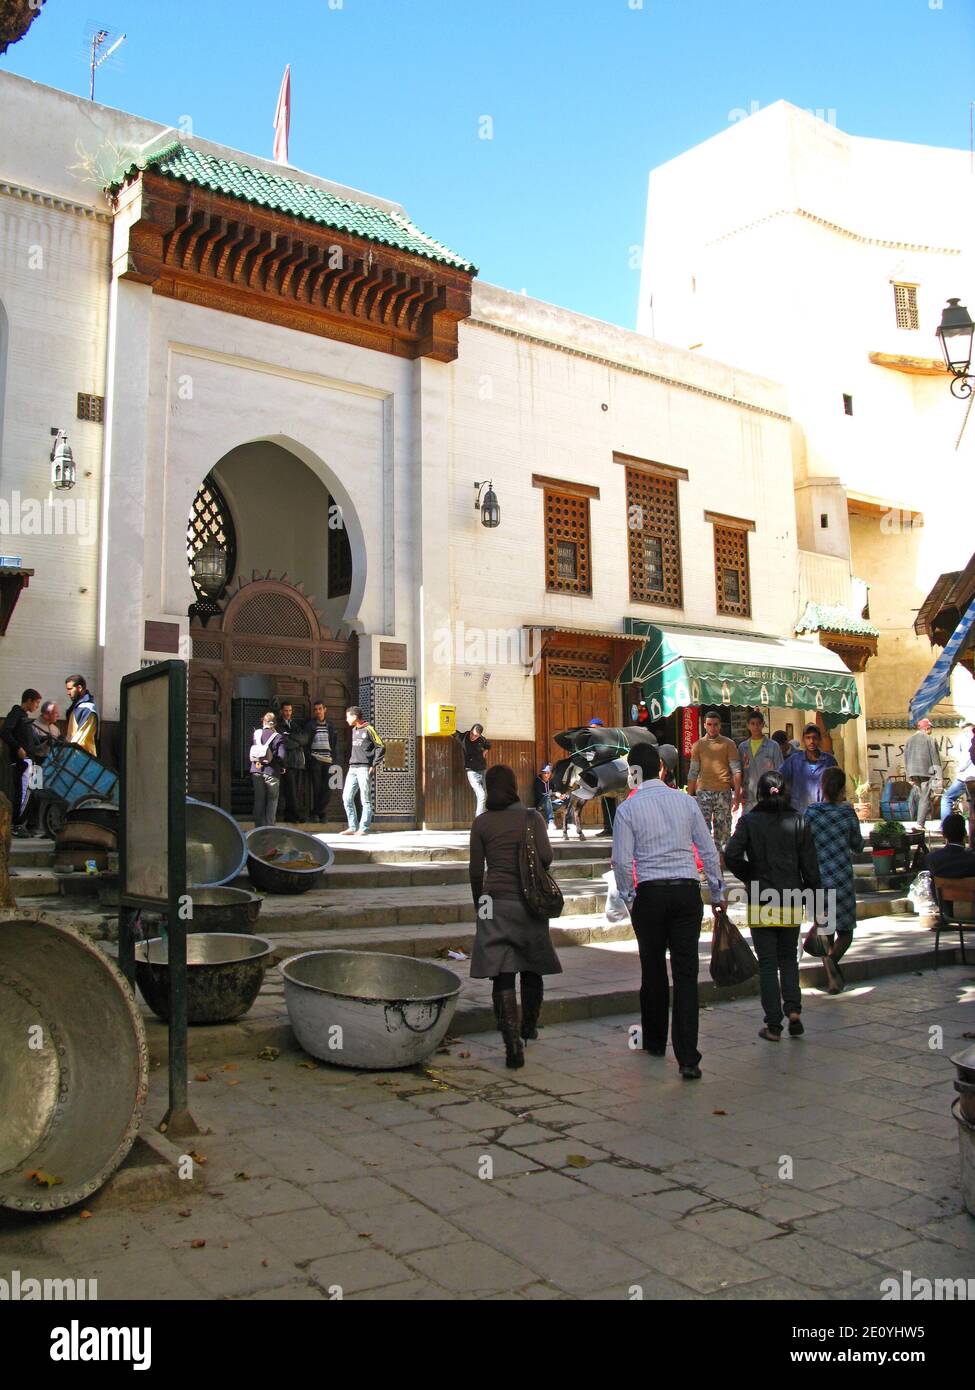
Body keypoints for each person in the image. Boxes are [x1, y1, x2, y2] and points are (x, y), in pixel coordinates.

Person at [612, 743, 726, 1079]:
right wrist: (717, 890)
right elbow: (707, 848)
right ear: (661, 767)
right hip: (686, 892)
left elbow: (621, 861)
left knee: (652, 968)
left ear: (634, 772)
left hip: (649, 894)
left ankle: (655, 1040)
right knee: (686, 974)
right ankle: (688, 1057)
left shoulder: (627, 810)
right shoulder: (686, 802)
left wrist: (630, 898)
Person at [469, 764, 562, 1068]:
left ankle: (512, 1044)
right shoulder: (531, 818)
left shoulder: (481, 823)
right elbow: (546, 858)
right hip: (529, 902)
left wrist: (479, 904)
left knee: (502, 971)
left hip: (494, 902)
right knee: (531, 966)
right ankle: (528, 1028)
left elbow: (475, 870)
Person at [725, 770, 821, 1039]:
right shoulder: (799, 821)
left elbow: (731, 854)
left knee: (768, 963)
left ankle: (774, 1024)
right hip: (791, 893)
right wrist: (814, 894)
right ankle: (794, 1010)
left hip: (762, 894)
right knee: (788, 958)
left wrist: (750, 873)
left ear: (760, 793)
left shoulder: (749, 821)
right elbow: (810, 866)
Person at [805, 767, 863, 995]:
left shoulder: (811, 812)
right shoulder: (847, 813)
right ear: (841, 789)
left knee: (825, 931)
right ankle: (832, 964)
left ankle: (831, 976)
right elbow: (858, 845)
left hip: (818, 879)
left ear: (822, 787)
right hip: (842, 879)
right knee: (846, 932)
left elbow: (802, 843)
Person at [686, 710, 742, 852]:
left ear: (720, 726)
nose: (712, 728)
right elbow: (693, 772)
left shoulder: (729, 744)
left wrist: (737, 795)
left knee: (722, 830)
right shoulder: (698, 745)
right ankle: (706, 861)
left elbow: (736, 770)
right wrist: (689, 796)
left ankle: (721, 860)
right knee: (702, 829)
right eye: (709, 724)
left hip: (723, 791)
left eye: (715, 725)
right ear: (704, 725)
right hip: (703, 791)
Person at [1, 689, 43, 836]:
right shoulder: (16, 713)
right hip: (23, 761)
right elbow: (5, 732)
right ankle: (17, 825)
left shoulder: (25, 718)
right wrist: (18, 747)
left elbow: (33, 739)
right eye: (37, 703)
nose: (37, 706)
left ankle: (27, 824)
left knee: (32, 793)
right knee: (23, 792)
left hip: (30, 760)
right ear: (29, 700)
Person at [341, 706, 385, 836]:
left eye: (348, 716)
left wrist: (374, 764)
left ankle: (364, 828)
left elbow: (380, 746)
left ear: (354, 717)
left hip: (364, 768)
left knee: (364, 799)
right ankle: (352, 827)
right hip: (352, 768)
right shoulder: (354, 729)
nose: (346, 719)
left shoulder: (369, 729)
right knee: (347, 797)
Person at [779, 723, 837, 813]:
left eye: (815, 737)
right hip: (799, 814)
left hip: (822, 814)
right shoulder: (794, 761)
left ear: (820, 739)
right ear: (803, 739)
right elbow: (778, 778)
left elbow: (838, 786)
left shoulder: (829, 761)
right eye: (808, 737)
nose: (812, 741)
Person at [738, 711, 783, 812]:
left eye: (758, 723)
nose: (755, 727)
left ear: (763, 724)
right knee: (750, 824)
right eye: (752, 724)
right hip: (748, 795)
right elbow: (739, 772)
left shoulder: (773, 746)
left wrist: (778, 790)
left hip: (768, 793)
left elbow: (779, 771)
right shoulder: (743, 747)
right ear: (748, 725)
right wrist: (740, 791)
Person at [903, 718, 942, 828]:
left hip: (913, 773)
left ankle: (919, 819)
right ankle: (920, 823)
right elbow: (935, 758)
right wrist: (938, 777)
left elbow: (905, 758)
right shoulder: (930, 739)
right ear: (927, 728)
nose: (931, 731)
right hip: (926, 772)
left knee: (921, 797)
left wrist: (908, 776)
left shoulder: (909, 740)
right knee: (925, 797)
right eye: (930, 729)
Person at [303, 701, 337, 823]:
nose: (318, 711)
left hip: (328, 760)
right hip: (315, 760)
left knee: (328, 788)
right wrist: (309, 757)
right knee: (317, 788)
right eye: (316, 709)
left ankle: (316, 812)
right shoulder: (310, 725)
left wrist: (334, 759)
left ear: (325, 709)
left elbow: (334, 743)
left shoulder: (331, 726)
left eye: (320, 709)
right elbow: (306, 743)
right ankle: (321, 815)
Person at [940, 722, 975, 841]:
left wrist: (960, 768)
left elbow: (968, 757)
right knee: (971, 809)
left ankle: (946, 829)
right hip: (969, 778)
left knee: (947, 798)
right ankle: (971, 842)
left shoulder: (968, 741)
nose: (965, 734)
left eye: (966, 731)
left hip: (967, 777)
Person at [249, 711, 284, 828]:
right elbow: (282, 756)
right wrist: (282, 767)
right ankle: (269, 828)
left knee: (259, 799)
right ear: (274, 723)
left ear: (263, 721)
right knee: (272, 800)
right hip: (272, 772)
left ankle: (258, 828)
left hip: (256, 771)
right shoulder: (278, 737)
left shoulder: (256, 734)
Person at [587, 717, 618, 835]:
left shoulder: (597, 740)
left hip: (606, 773)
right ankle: (611, 827)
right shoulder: (608, 738)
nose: (592, 730)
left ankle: (610, 828)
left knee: (608, 800)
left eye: (594, 728)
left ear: (600, 727)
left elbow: (590, 757)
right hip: (610, 771)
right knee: (608, 801)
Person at [277, 702, 306, 823]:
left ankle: (293, 814)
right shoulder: (279, 726)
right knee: (290, 790)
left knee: (297, 790)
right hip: (287, 762)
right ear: (281, 711)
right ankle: (293, 815)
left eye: (290, 710)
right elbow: (285, 743)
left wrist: (294, 738)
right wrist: (297, 741)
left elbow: (305, 739)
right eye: (286, 710)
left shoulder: (295, 724)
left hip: (298, 762)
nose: (288, 713)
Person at [455, 724, 492, 818]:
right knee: (482, 796)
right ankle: (479, 821)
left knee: (485, 796)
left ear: (479, 735)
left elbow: (488, 744)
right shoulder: (463, 737)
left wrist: (486, 751)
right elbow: (451, 731)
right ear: (470, 731)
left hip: (482, 770)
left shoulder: (482, 739)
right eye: (472, 733)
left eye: (476, 736)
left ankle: (483, 819)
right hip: (471, 771)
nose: (473, 737)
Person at [927, 814, 975, 879]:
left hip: (942, 888)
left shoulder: (932, 859)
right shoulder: (972, 859)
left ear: (943, 834)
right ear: (965, 833)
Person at [64, 675, 98, 755]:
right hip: (75, 756)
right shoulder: (78, 707)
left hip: (82, 758)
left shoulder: (88, 709)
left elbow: (82, 739)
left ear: (79, 688)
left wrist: (68, 754)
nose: (68, 693)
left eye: (70, 689)